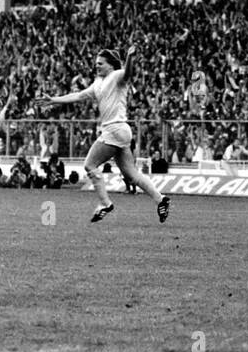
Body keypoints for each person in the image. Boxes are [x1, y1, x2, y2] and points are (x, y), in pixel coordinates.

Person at [34, 46, 170, 224]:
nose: (96, 66)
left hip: (114, 129)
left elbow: (128, 73)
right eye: (96, 63)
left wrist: (130, 57)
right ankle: (161, 199)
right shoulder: (98, 83)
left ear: (110, 65)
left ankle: (105, 203)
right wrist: (54, 100)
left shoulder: (116, 76)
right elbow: (79, 95)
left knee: (90, 164)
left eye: (100, 63)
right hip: (121, 131)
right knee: (131, 175)